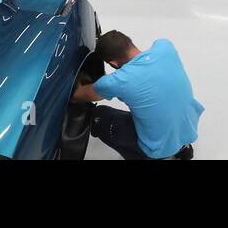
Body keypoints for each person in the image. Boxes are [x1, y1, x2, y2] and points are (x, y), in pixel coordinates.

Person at [72, 30, 202, 160]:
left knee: (98, 115)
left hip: (157, 149)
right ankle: (181, 149)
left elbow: (78, 96)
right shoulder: (165, 47)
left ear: (113, 63)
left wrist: (78, 79)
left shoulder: (117, 81)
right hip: (188, 130)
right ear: (130, 43)